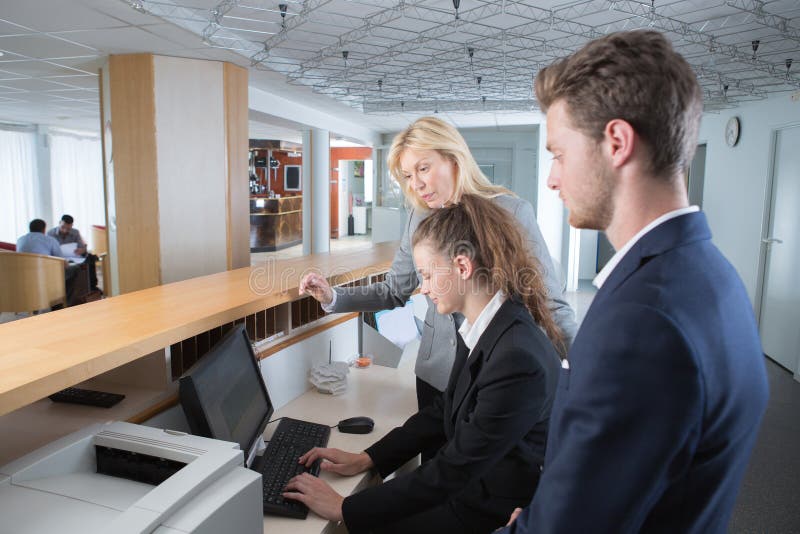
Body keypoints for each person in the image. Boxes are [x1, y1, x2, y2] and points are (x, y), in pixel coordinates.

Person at [501, 30, 769, 534]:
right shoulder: (711, 273)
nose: (552, 178)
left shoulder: (642, 321)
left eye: (559, 154)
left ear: (617, 143)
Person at [284, 195, 562, 533]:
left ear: (462, 267)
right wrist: (369, 457)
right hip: (470, 491)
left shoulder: (516, 356)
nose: (424, 288)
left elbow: (454, 469)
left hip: (488, 511)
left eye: (428, 275)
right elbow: (445, 408)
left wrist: (344, 507)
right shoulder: (486, 324)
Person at [300, 116, 576, 415]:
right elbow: (394, 291)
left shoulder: (512, 212)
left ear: (454, 159)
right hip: (438, 372)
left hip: (498, 372)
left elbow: (550, 306)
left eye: (423, 168)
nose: (416, 184)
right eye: (408, 175)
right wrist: (333, 296)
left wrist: (583, 376)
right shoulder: (419, 217)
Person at [16, 218, 90, 307]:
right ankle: (64, 302)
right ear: (44, 229)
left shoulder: (20, 240)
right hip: (46, 275)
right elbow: (62, 262)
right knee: (75, 269)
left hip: (24, 276)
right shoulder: (50, 240)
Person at [47, 214, 100, 292]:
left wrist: (82, 250)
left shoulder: (75, 232)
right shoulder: (50, 233)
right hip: (58, 259)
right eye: (63, 227)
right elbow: (48, 250)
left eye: (68, 229)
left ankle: (92, 287)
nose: (65, 230)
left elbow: (82, 247)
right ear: (59, 223)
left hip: (73, 258)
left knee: (91, 258)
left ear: (72, 226)